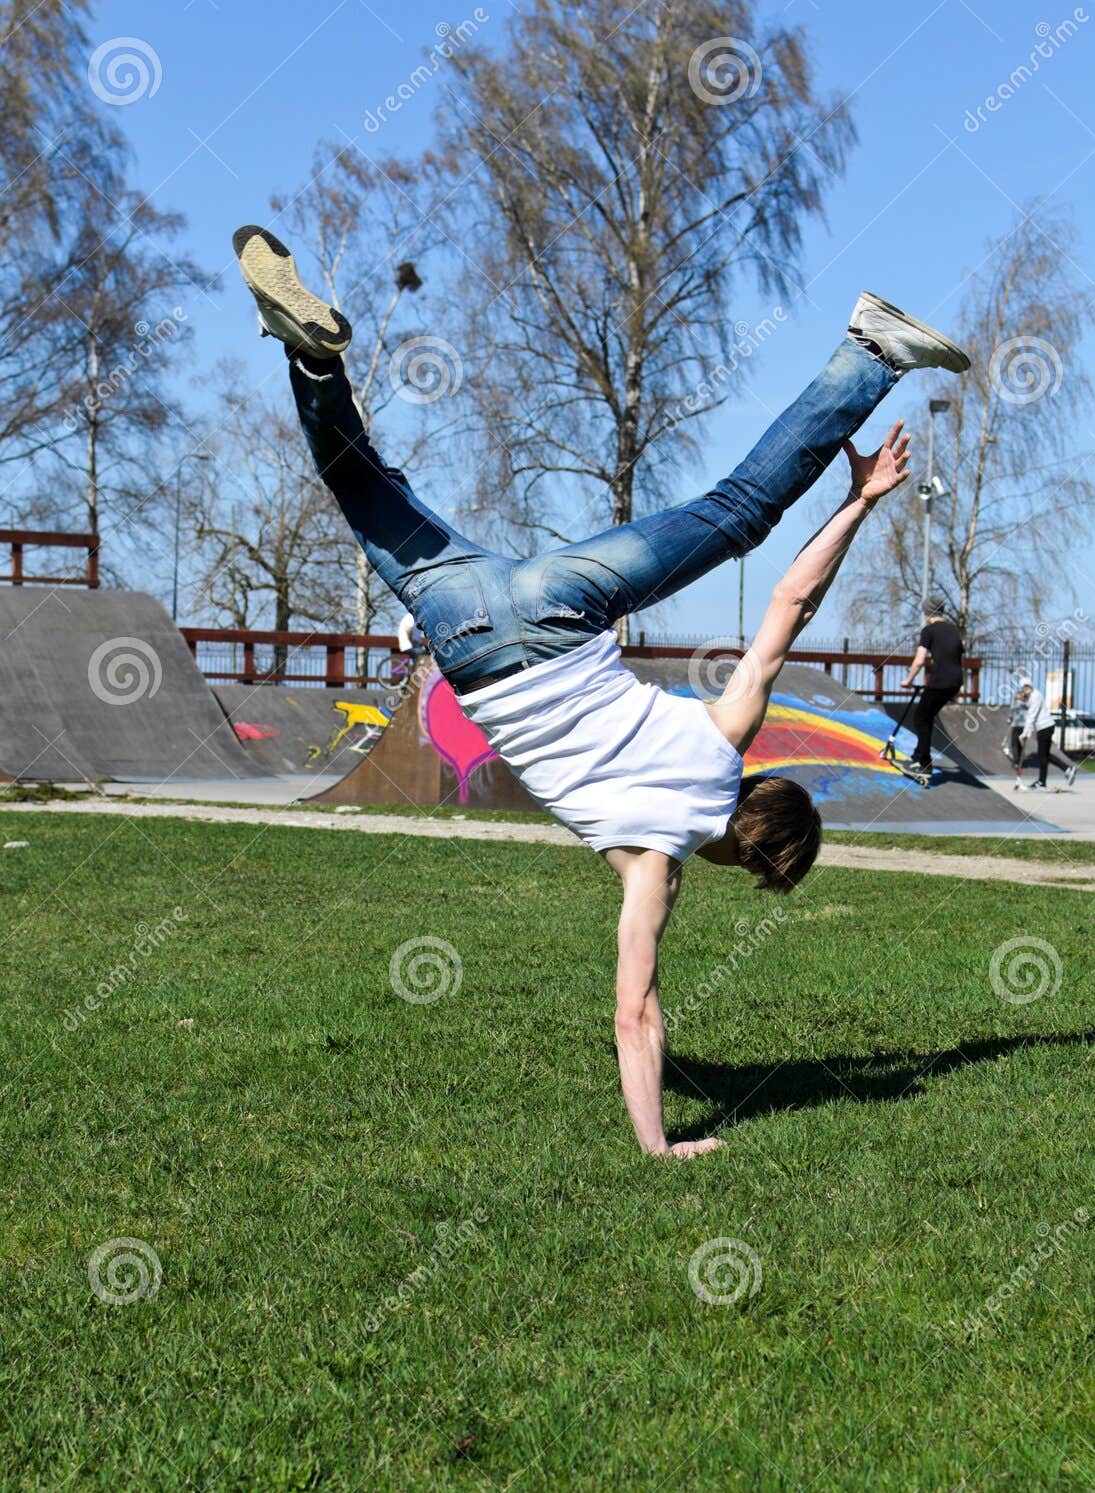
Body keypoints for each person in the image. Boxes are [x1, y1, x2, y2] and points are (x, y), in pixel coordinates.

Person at [233, 224, 969, 1157]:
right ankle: (311, 372)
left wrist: (859, 502)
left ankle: (870, 351)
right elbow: (635, 1015)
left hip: (556, 602)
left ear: (762, 793)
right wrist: (660, 1146)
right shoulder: (651, 867)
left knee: (736, 512)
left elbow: (790, 596)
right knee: (359, 484)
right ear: (745, 862)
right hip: (467, 632)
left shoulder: (725, 734)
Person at [901, 592, 964, 775]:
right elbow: (956, 654)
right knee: (927, 717)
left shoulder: (928, 631)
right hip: (956, 681)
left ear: (927, 613)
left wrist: (908, 680)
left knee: (921, 718)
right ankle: (917, 756)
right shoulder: (954, 630)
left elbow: (919, 660)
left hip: (940, 681)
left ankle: (924, 763)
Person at [1019, 681, 1077, 791]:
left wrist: (1024, 733)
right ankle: (1067, 769)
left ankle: (1042, 782)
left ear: (1031, 686)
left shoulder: (1036, 696)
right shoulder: (1032, 697)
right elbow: (1031, 714)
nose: (1025, 690)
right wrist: (1028, 732)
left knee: (1042, 756)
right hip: (1043, 727)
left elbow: (1031, 716)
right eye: (1023, 688)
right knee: (1045, 755)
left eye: (1027, 687)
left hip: (1045, 727)